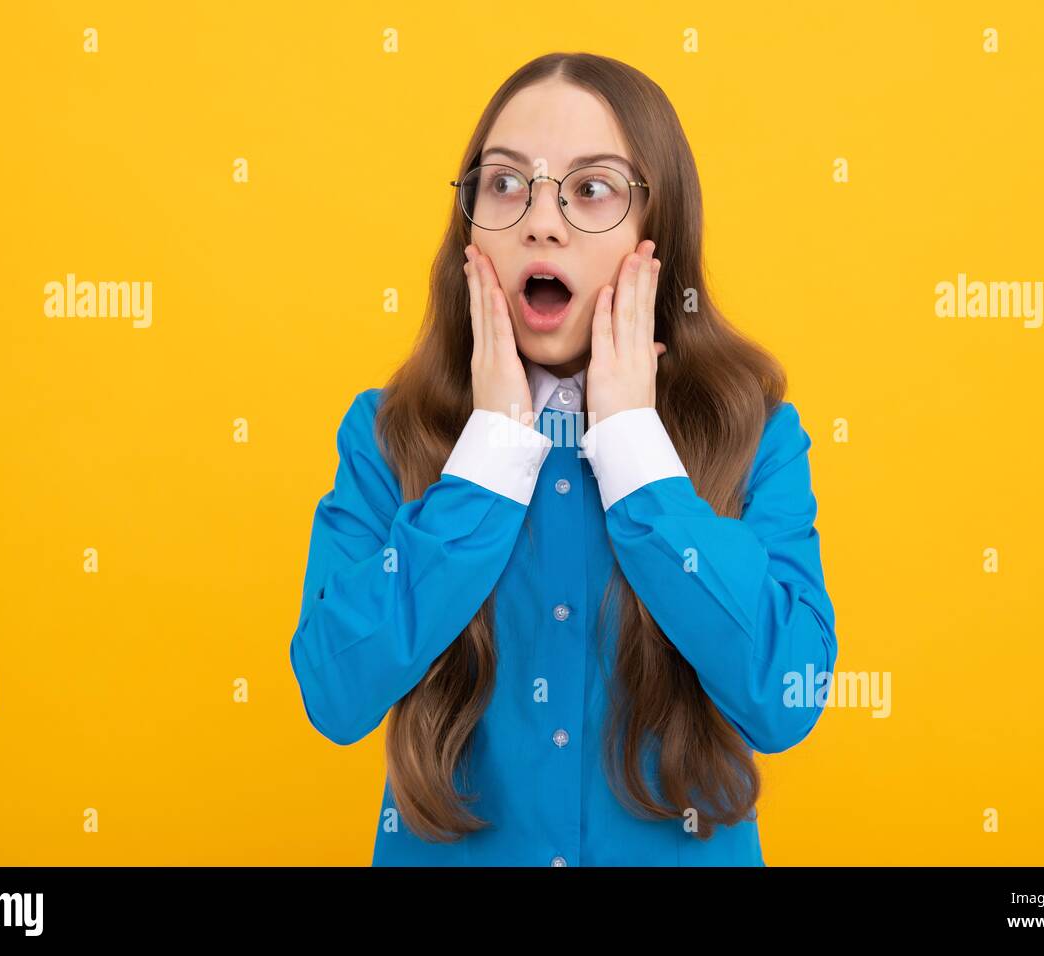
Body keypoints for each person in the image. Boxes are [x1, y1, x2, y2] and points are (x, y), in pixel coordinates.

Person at [289, 51, 837, 866]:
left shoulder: (755, 434)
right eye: (507, 185)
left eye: (589, 190)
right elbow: (335, 692)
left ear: (659, 236)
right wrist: (491, 456)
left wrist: (634, 451)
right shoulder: (384, 434)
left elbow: (786, 695)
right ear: (469, 229)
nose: (541, 222)